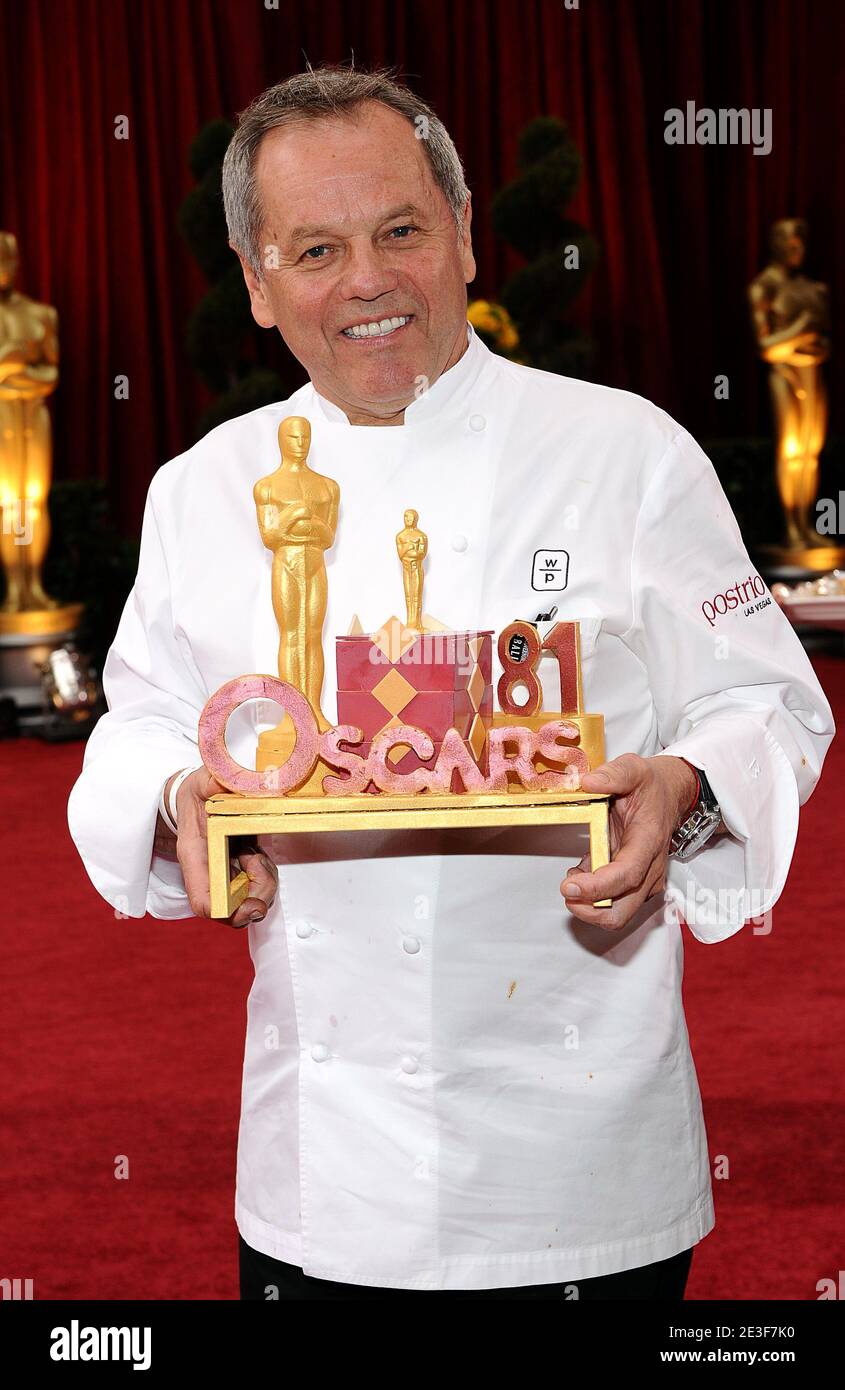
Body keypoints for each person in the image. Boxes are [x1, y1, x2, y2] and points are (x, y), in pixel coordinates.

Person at [67, 65, 834, 1300]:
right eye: (314, 249)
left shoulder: (622, 451)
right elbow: (142, 718)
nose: (366, 280)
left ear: (466, 236)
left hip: (583, 1172)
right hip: (322, 1183)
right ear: (257, 286)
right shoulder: (200, 489)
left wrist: (682, 790)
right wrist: (173, 796)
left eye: (401, 230)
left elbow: (770, 704)